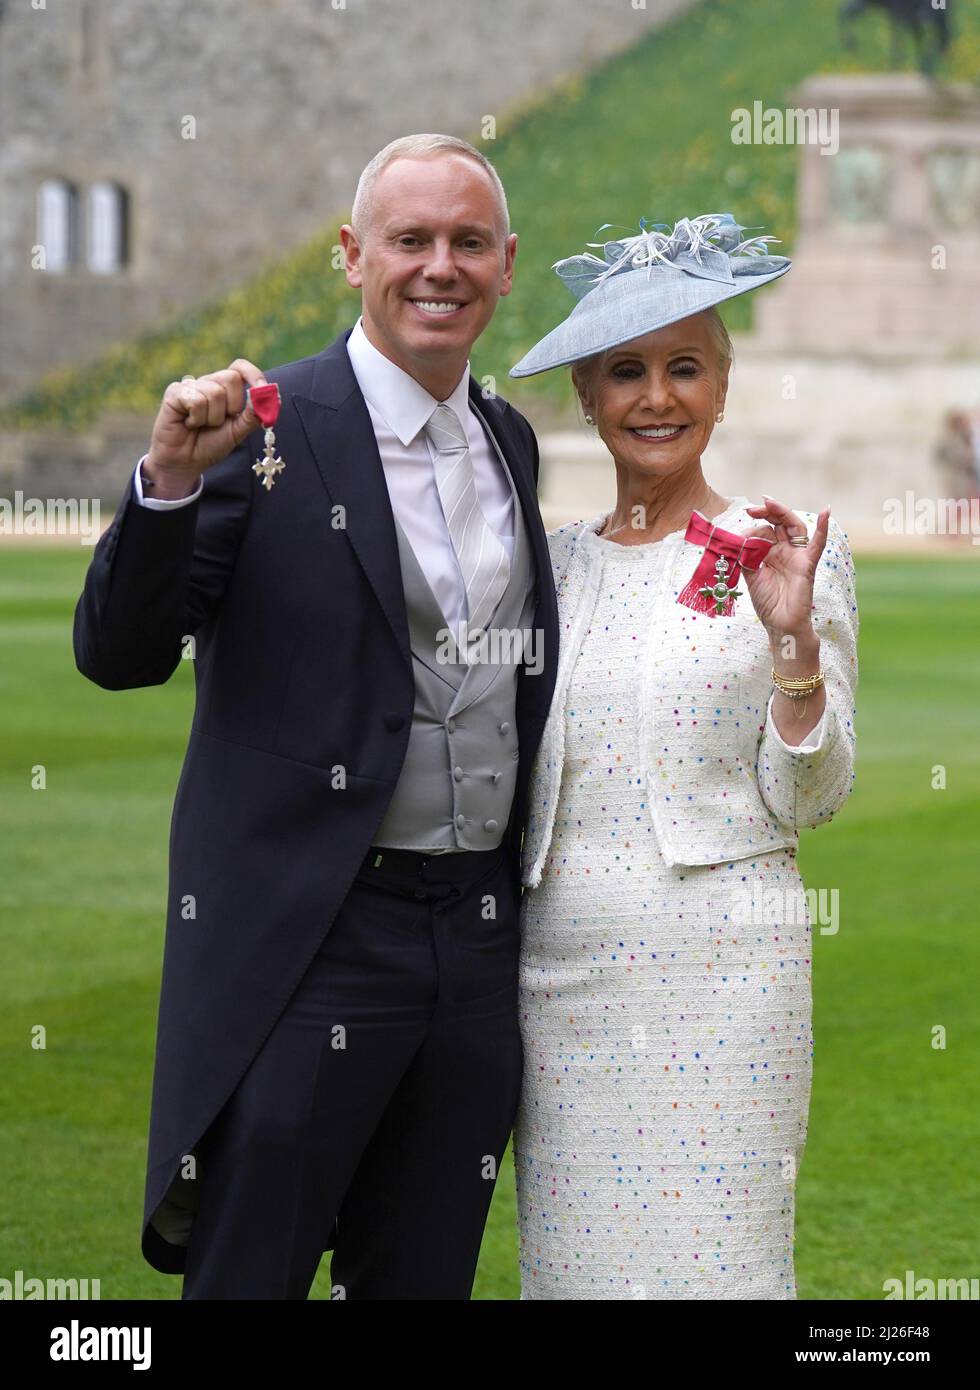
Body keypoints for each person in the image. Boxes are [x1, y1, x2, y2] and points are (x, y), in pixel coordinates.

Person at [73, 133, 559, 1299]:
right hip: (316, 939)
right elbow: (120, 653)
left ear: (503, 264)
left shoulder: (508, 437)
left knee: (420, 1274)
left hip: (477, 940)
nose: (438, 266)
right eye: (409, 240)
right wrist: (171, 481)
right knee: (253, 1271)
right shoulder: (264, 425)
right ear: (352, 255)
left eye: (466, 242)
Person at [507, 213, 859, 1299]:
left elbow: (811, 793)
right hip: (557, 973)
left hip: (725, 972)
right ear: (584, 396)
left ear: (720, 388)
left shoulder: (786, 546)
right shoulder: (544, 565)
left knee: (721, 1269)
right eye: (625, 371)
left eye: (683, 368)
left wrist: (791, 637)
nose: (654, 396)